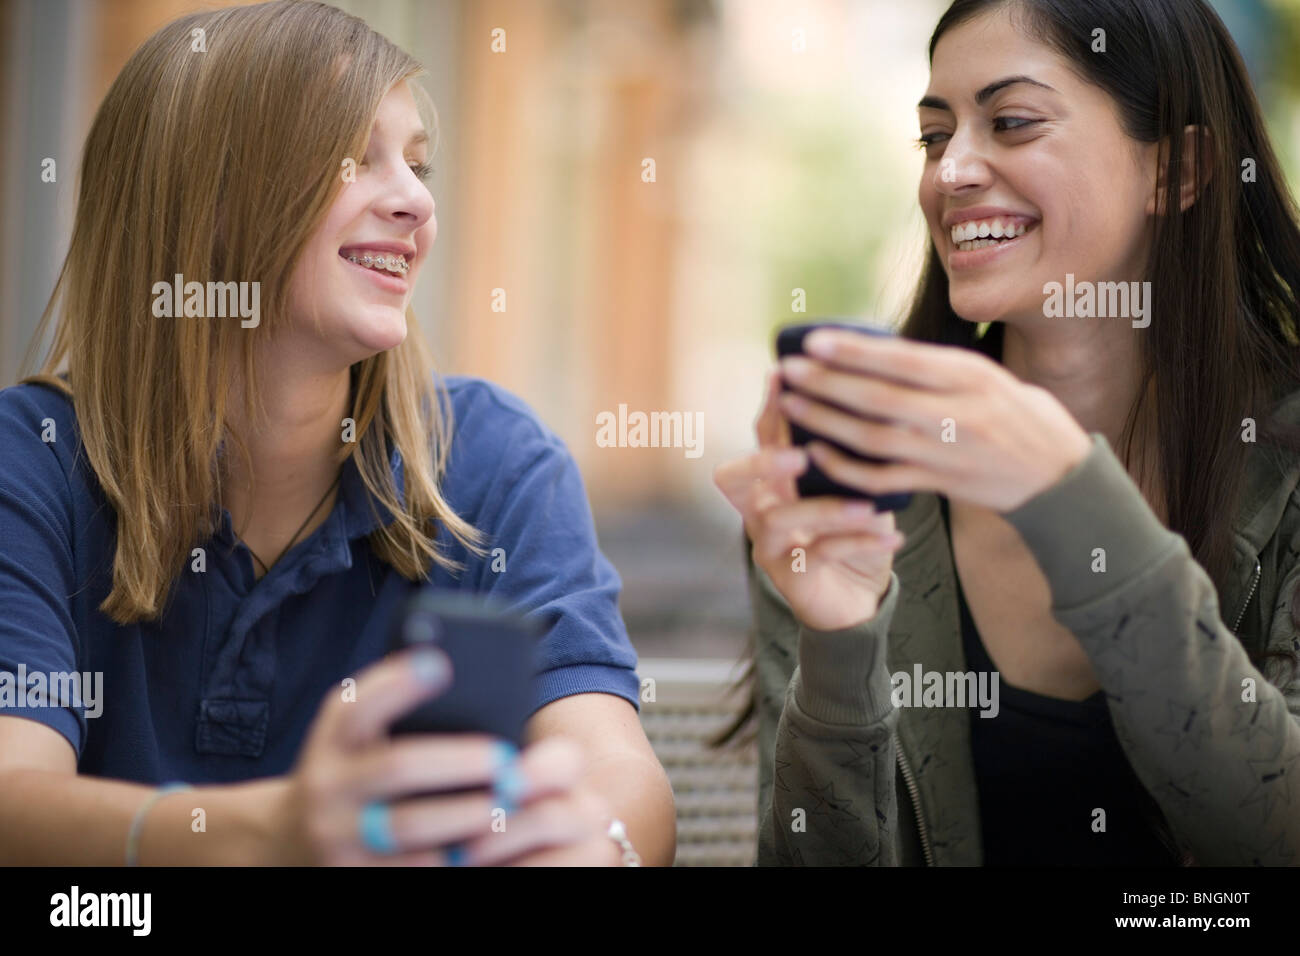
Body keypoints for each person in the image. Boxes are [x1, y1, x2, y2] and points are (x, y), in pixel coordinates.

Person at [0, 0, 674, 866]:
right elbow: (14, 806)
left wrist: (596, 846)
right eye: (354, 160)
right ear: (201, 201)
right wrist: (276, 833)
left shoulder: (496, 460)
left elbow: (618, 774)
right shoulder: (35, 462)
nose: (415, 203)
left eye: (419, 165)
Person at [715, 0, 1300, 865]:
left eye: (1013, 122)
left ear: (1177, 170)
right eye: (933, 135)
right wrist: (840, 651)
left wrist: (1071, 494)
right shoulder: (851, 480)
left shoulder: (1283, 462)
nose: (950, 171)